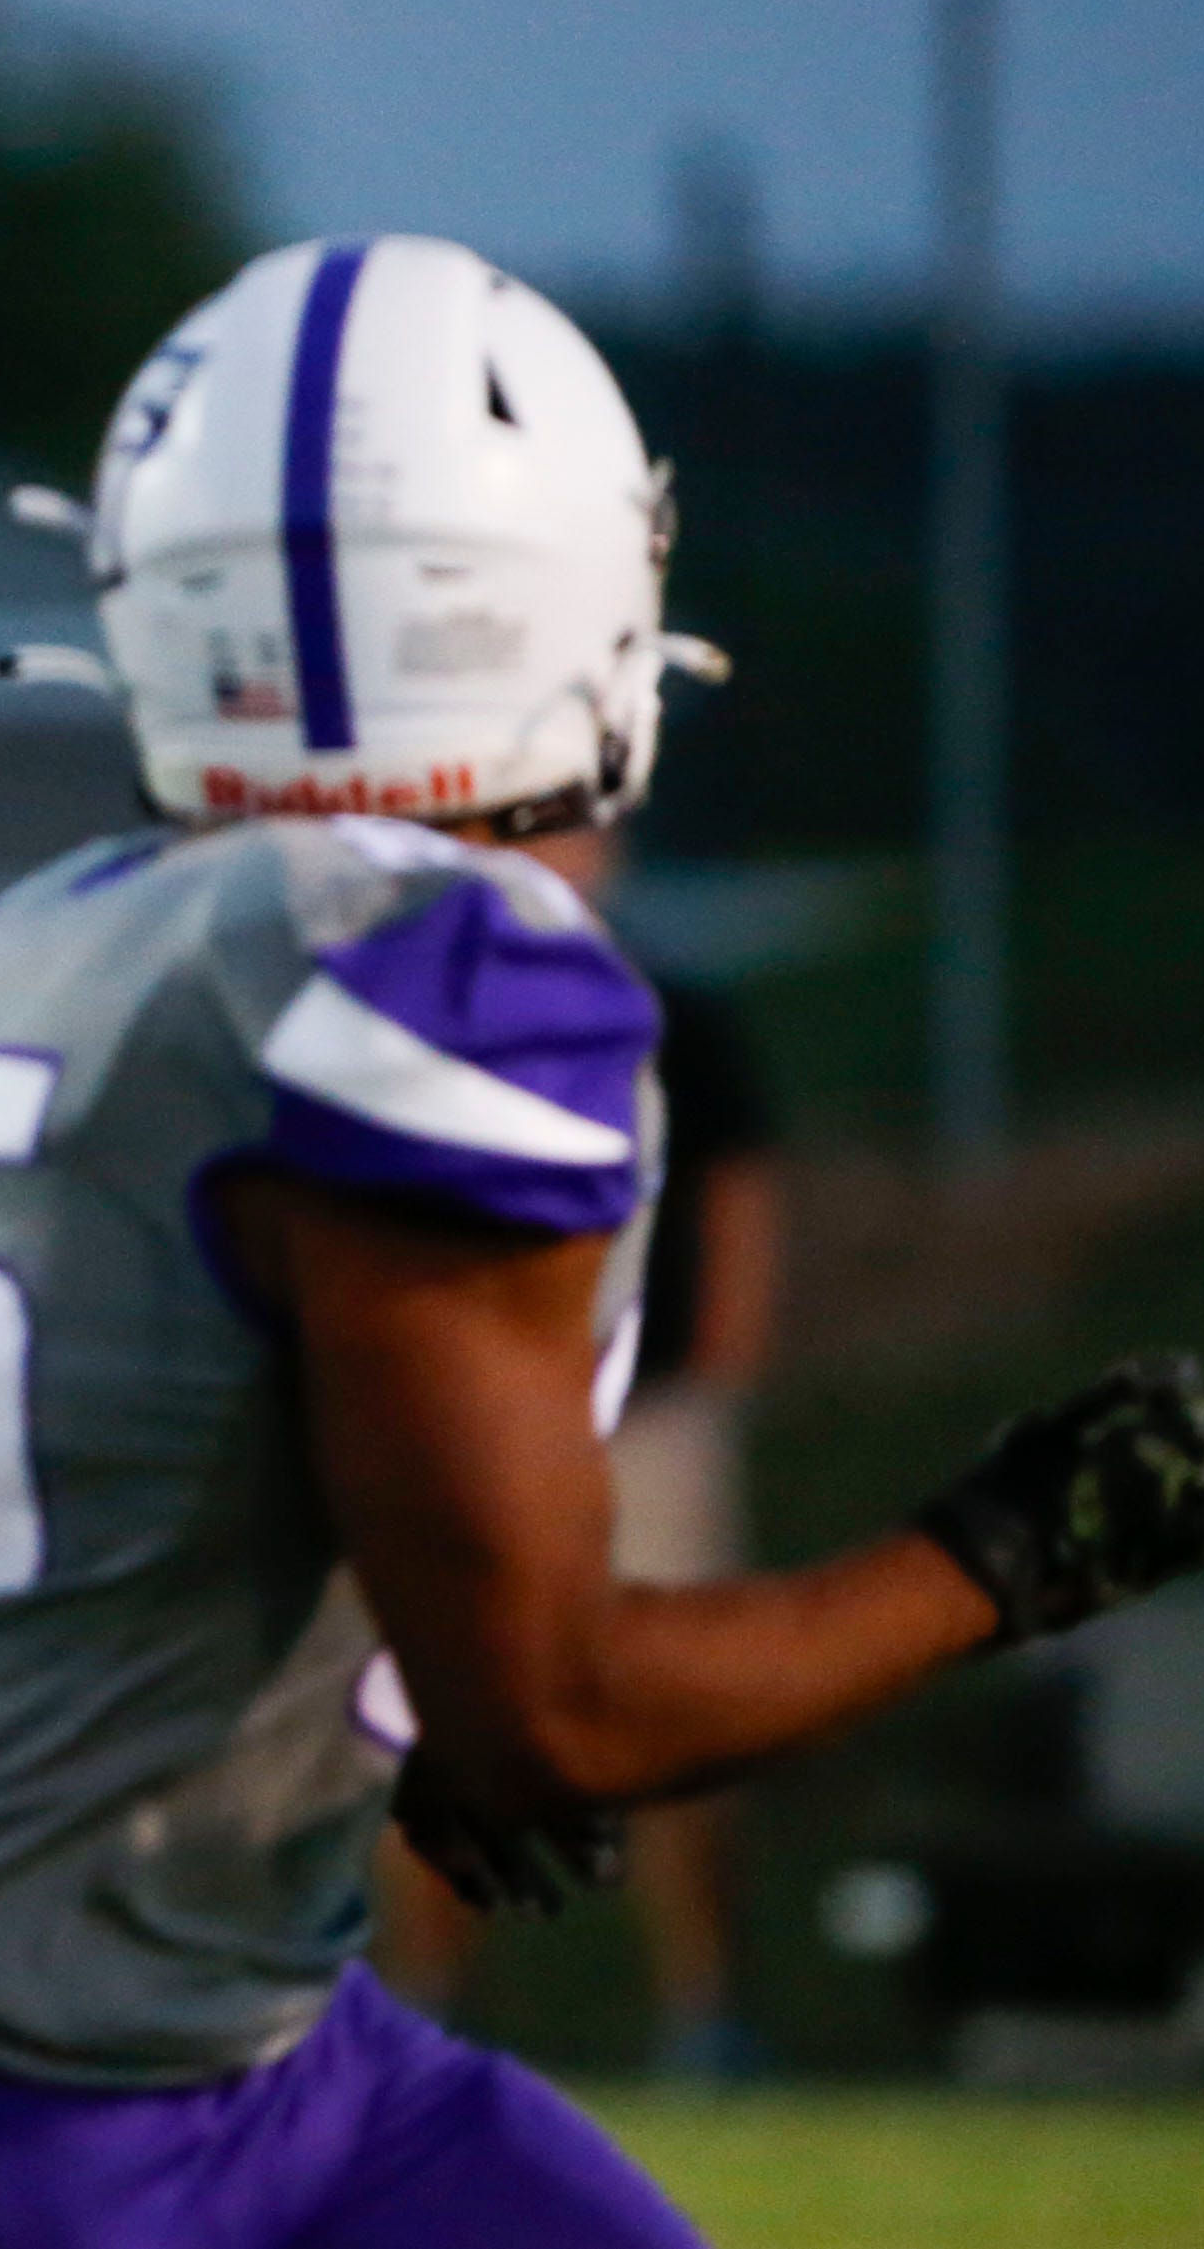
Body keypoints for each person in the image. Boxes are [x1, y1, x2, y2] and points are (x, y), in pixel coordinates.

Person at [0, 234, 1204, 2249]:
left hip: (132, 2050)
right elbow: (557, 1716)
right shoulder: (446, 973)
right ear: (556, 597)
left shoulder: (60, 927)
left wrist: (364, 1688)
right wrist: (1001, 1550)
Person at [371, 828, 788, 2077]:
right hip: (475, 1415)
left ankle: (706, 2014)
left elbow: (736, 1197)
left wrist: (719, 1366)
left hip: (643, 1410)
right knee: (435, 1716)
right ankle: (434, 2004)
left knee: (681, 1718)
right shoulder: (424, 1011)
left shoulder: (672, 1011)